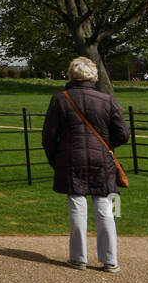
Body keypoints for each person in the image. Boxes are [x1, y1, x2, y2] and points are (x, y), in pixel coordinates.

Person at [41, 57, 130, 272]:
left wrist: (55, 159)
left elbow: (49, 137)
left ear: (71, 75)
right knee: (104, 208)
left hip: (71, 159)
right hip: (102, 159)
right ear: (93, 76)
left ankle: (78, 257)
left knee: (77, 206)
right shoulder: (106, 100)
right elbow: (124, 134)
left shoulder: (60, 99)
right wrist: (106, 146)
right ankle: (110, 260)